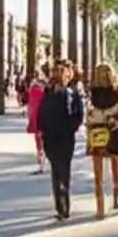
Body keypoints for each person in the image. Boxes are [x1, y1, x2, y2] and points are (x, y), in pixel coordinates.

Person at [37, 59, 84, 221]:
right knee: (57, 170)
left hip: (64, 137)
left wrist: (72, 127)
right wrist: (42, 129)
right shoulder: (49, 92)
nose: (60, 74)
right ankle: (60, 205)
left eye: (63, 71)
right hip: (52, 136)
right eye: (57, 71)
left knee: (62, 170)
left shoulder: (72, 93)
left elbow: (79, 114)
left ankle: (63, 206)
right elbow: (41, 112)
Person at [85, 62, 118, 220]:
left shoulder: (92, 91)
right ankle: (115, 199)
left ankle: (100, 207)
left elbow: (90, 112)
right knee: (116, 165)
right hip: (113, 130)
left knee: (98, 172)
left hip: (96, 131)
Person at [26, 64, 48, 173]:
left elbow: (30, 106)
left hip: (36, 119)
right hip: (43, 119)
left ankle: (41, 163)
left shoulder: (33, 90)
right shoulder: (45, 90)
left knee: (39, 142)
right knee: (44, 141)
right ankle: (43, 162)